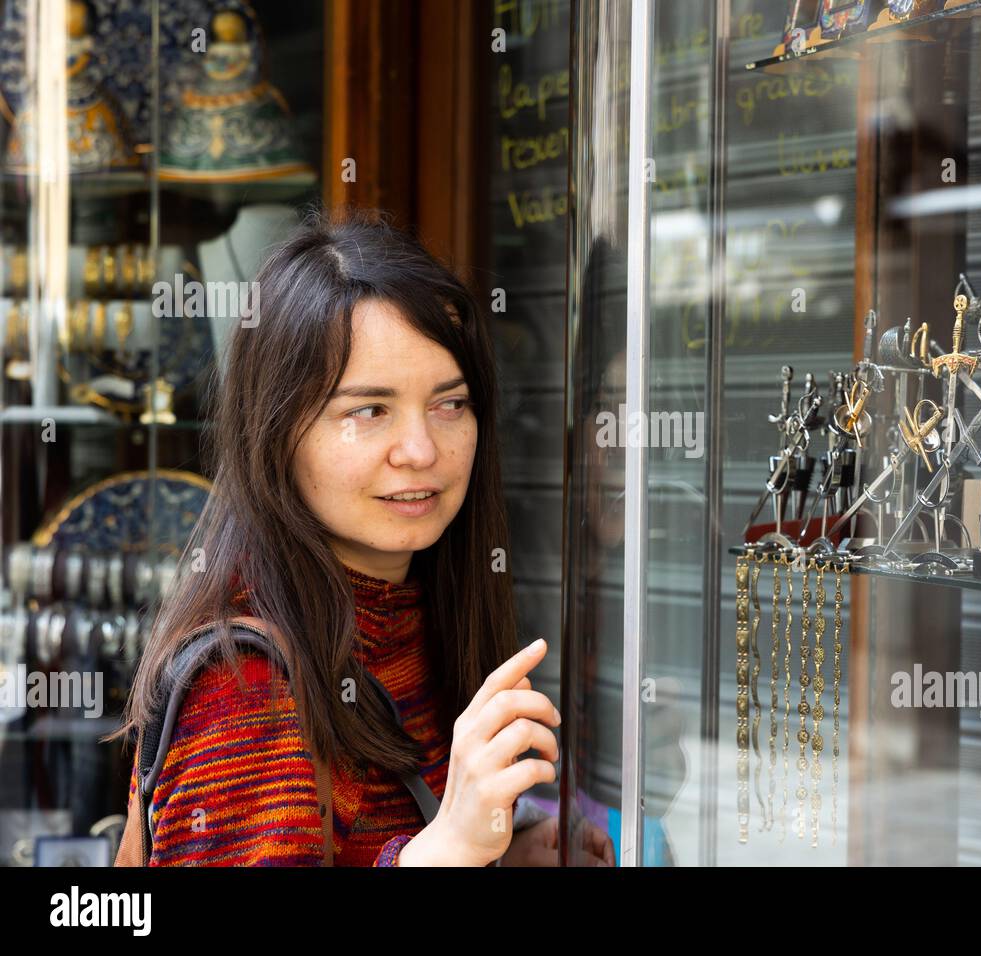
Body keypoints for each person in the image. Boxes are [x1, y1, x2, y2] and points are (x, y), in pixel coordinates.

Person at [108, 207, 613, 866]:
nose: (421, 449)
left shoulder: (430, 618)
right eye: (368, 411)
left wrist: (506, 856)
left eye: (449, 404)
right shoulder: (244, 688)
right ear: (278, 433)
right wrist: (447, 850)